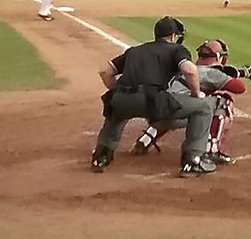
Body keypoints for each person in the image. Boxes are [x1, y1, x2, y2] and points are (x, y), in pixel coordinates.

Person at [90, 16, 217, 178]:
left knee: (115, 110)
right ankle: (193, 160)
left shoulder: (135, 50)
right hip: (152, 100)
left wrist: (120, 91)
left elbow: (105, 71)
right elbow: (190, 70)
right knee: (203, 107)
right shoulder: (176, 50)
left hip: (123, 99)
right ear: (172, 36)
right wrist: (195, 94)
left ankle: (101, 157)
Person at [130, 38, 251, 165]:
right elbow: (239, 88)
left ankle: (146, 139)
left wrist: (243, 72)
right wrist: (247, 74)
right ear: (219, 57)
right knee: (222, 101)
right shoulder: (212, 74)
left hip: (155, 111)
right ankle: (212, 150)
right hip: (174, 113)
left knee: (183, 100)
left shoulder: (186, 68)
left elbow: (216, 73)